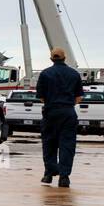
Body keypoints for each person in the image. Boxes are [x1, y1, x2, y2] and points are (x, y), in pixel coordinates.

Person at [35, 47, 83, 187]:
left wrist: (53, 103)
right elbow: (79, 97)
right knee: (67, 145)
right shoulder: (74, 74)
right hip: (68, 113)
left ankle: (49, 174)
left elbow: (41, 97)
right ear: (64, 58)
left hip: (51, 112)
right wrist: (67, 105)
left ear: (51, 59)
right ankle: (64, 177)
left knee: (49, 144)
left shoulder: (45, 74)